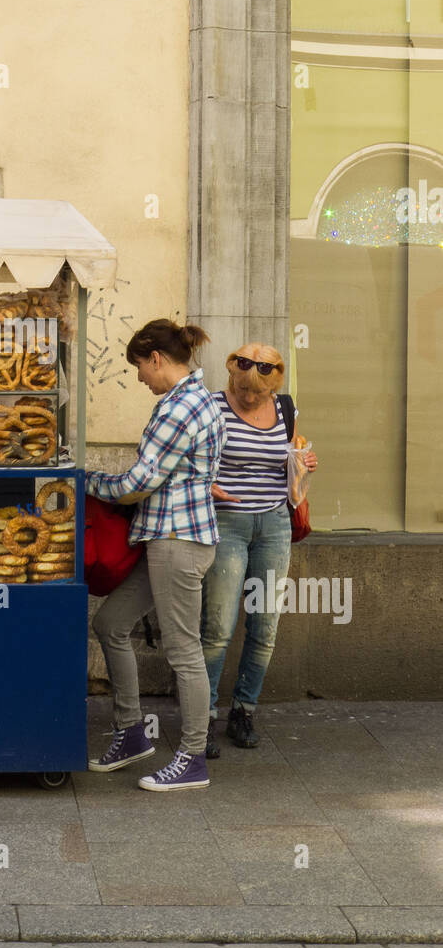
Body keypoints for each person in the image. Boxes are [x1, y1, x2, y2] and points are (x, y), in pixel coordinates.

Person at [87, 319, 224, 791]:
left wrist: (88, 482)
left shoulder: (179, 407)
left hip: (177, 542)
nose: (139, 377)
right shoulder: (200, 398)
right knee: (110, 624)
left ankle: (192, 758)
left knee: (184, 652)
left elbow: (138, 484)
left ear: (157, 359)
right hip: (172, 538)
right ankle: (130, 733)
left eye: (139, 367)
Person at [200, 344, 318, 756]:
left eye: (258, 392)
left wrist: (304, 462)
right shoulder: (211, 406)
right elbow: (191, 459)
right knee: (217, 627)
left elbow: (291, 458)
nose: (249, 398)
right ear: (232, 376)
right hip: (226, 523)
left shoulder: (286, 407)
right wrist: (204, 484)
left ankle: (244, 709)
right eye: (242, 389)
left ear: (273, 386)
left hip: (274, 523)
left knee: (265, 625)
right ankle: (204, 718)